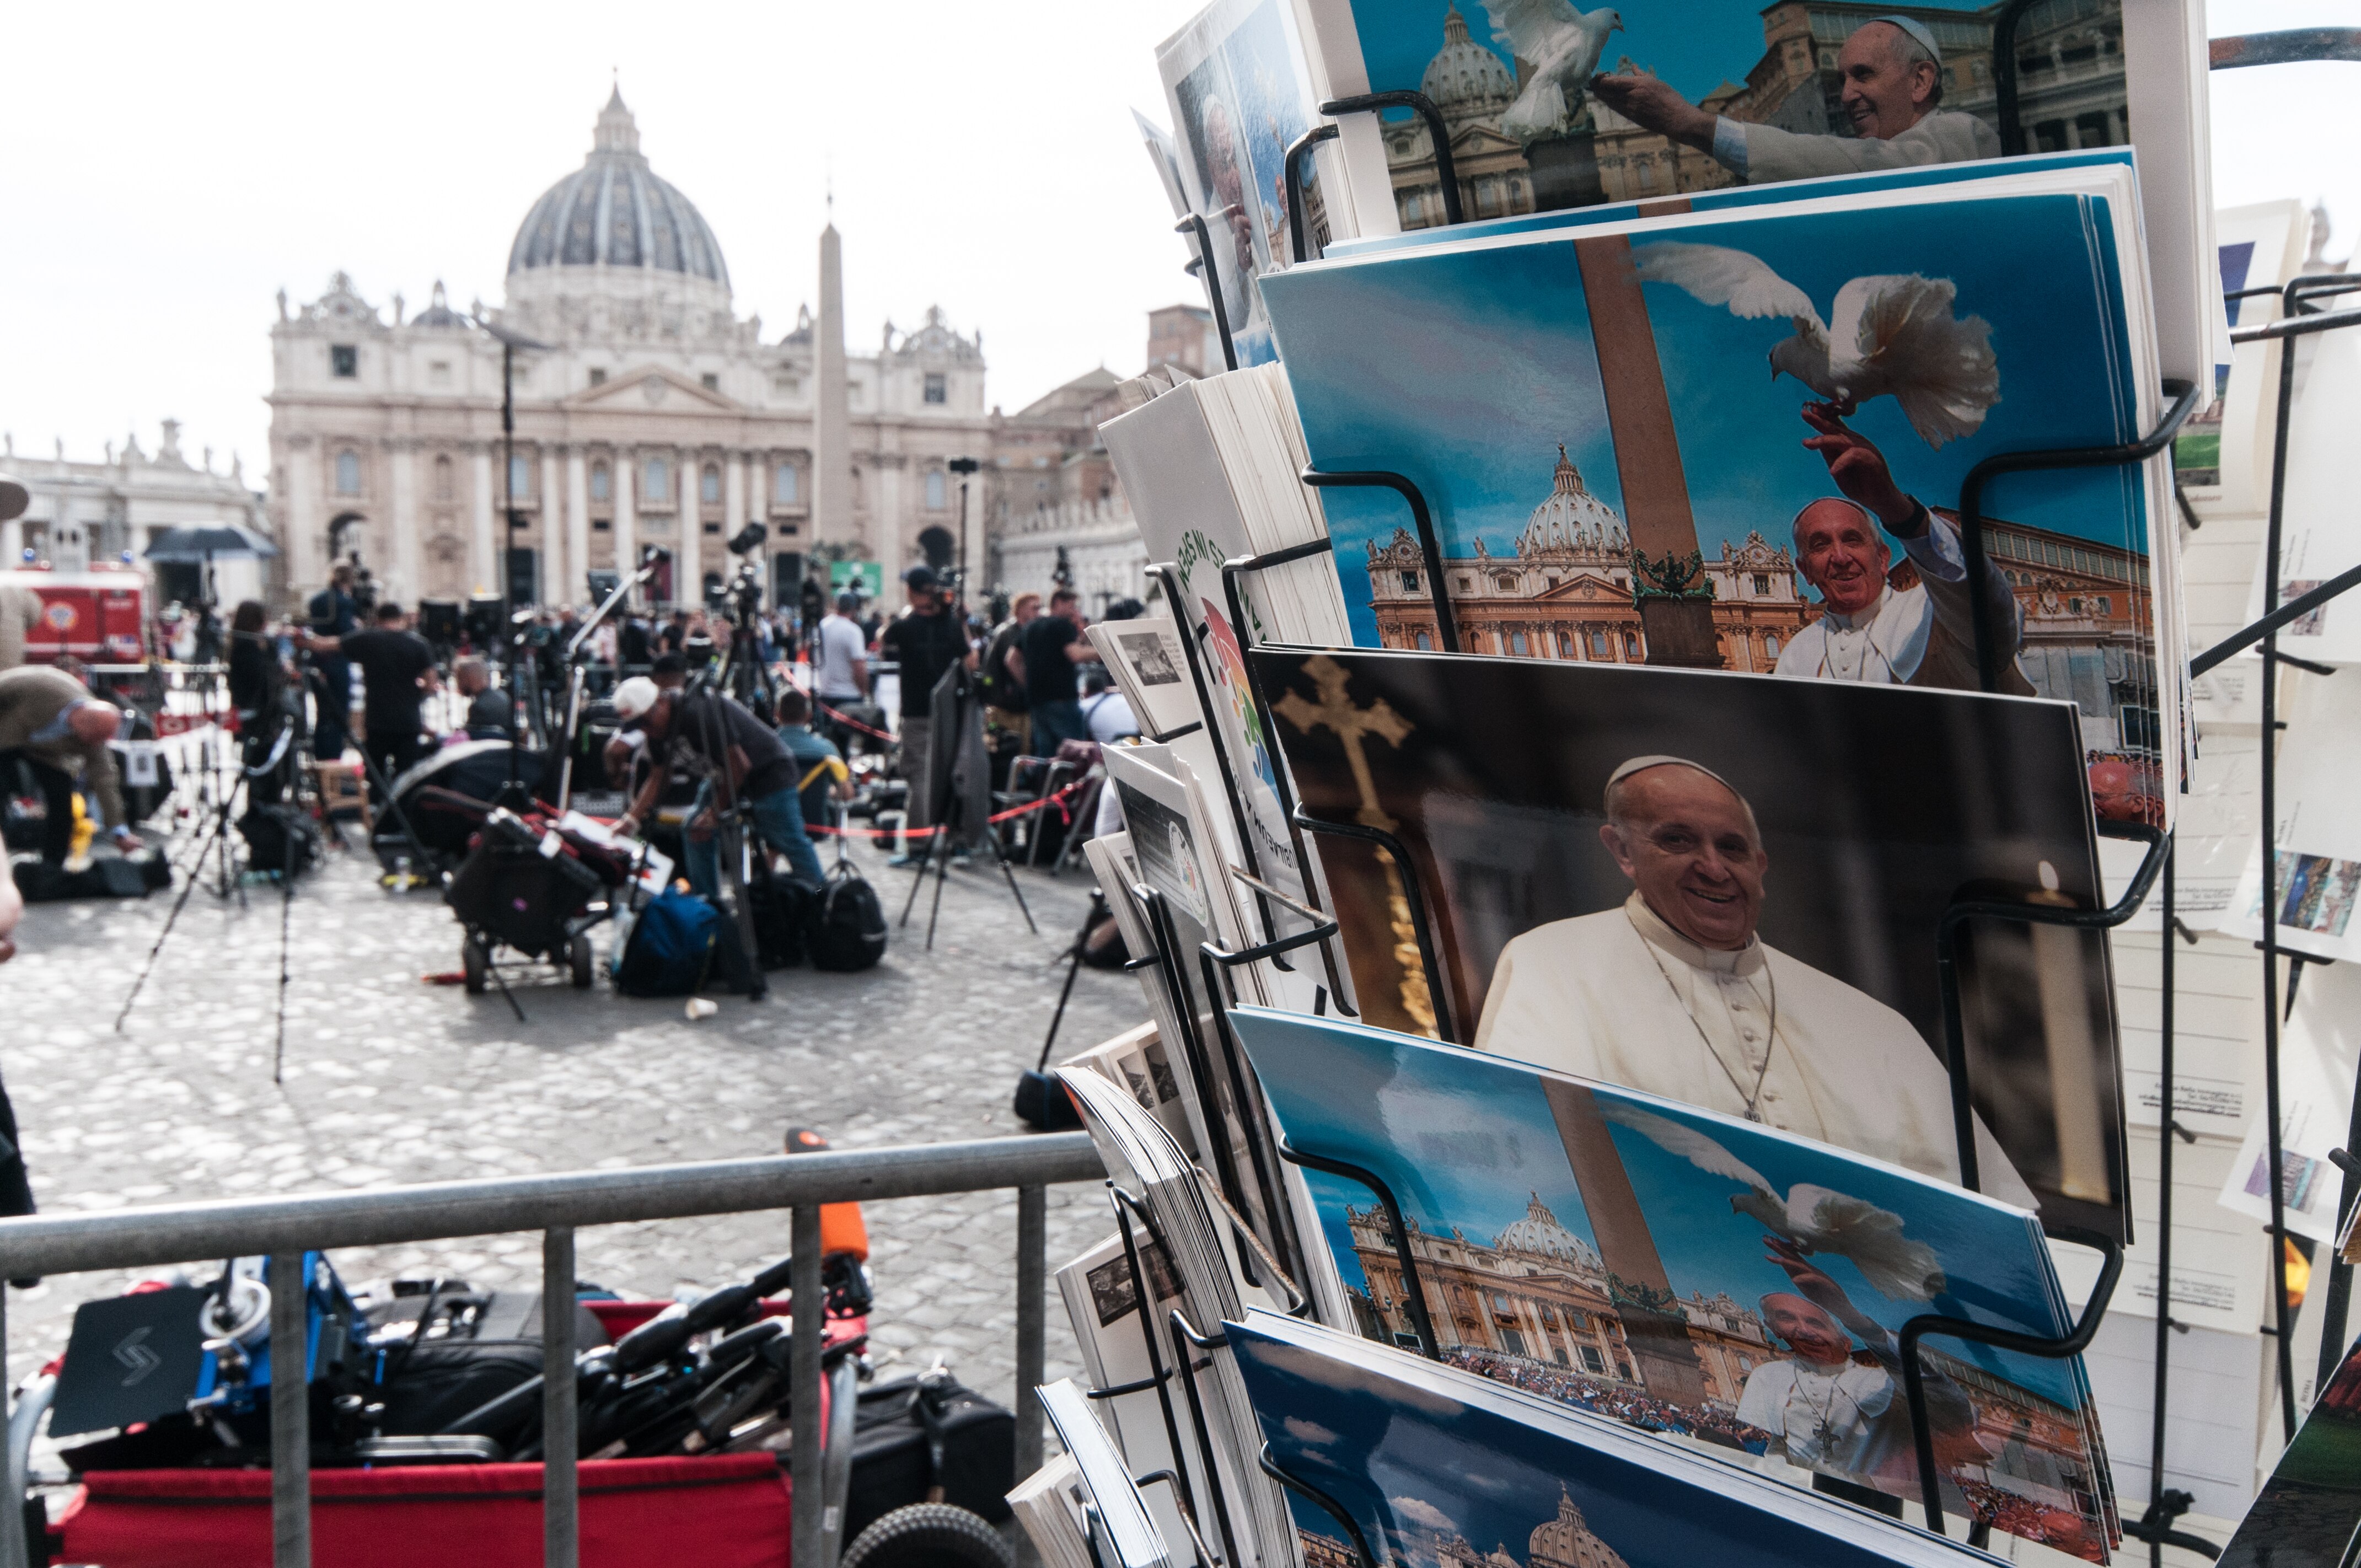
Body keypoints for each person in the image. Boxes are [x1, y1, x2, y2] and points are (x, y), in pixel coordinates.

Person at [1472, 755, 2033, 1204]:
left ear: (1760, 867)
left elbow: (1976, 1211)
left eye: (1732, 848)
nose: (1714, 868)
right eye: (1677, 840)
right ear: (1621, 851)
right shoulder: (1552, 966)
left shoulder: (1871, 1023)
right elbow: (1528, 1169)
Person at [1773, 406, 2029, 692]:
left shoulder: (1934, 611)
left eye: (1853, 540)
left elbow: (1994, 624)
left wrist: (1891, 504)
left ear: (1883, 559)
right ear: (1805, 571)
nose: (1841, 558)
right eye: (1821, 546)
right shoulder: (1795, 654)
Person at [1590, 15, 1999, 187]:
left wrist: (1694, 125)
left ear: (1920, 81)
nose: (1846, 94)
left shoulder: (1963, 136)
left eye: (1864, 75)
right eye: (1842, 80)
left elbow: (1873, 164)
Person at [1734, 1238, 1976, 1512]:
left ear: (1846, 1340)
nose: (1803, 1331)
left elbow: (1954, 1410)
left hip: (1898, 1516)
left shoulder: (1880, 1381)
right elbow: (1780, 1449)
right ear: (1772, 1328)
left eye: (1816, 1322)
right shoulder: (1769, 1376)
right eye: (1787, 1319)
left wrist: (1849, 1314)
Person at [610, 675, 824, 891]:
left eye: (646, 722)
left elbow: (740, 765)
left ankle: (823, 902)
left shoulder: (696, 711)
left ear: (661, 703)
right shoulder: (658, 728)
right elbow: (659, 777)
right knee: (695, 829)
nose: (647, 731)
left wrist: (713, 814)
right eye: (639, 727)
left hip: (769, 771)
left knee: (790, 841)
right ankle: (709, 907)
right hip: (724, 775)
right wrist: (631, 821)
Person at [876, 566, 974, 862]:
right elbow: (971, 661)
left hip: (917, 712)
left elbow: (883, 641)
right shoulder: (951, 626)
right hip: (950, 711)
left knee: (919, 777)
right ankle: (959, 842)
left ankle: (918, 845)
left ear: (912, 592)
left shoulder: (905, 626)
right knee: (956, 774)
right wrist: (958, 620)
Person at [0, 665, 139, 869]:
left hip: (45, 753)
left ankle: (52, 867)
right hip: (6, 737)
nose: (93, 744)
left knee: (62, 801)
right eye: (92, 737)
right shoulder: (44, 686)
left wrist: (120, 831)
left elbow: (105, 779)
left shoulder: (94, 736)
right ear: (81, 717)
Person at [302, 602, 441, 804]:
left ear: (378, 620)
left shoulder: (368, 639)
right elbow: (431, 684)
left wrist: (304, 637)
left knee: (375, 779)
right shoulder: (419, 645)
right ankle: (403, 823)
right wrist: (414, 689)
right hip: (409, 722)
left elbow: (324, 645)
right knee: (406, 780)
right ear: (401, 619)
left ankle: (378, 820)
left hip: (378, 722)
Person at [1012, 589, 1094, 755]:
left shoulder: (1031, 627)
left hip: (1037, 700)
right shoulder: (1062, 625)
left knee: (1045, 755)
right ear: (1058, 603)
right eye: (1071, 606)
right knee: (1073, 754)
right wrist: (1106, 649)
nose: (1073, 611)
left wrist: (1027, 683)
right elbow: (1075, 654)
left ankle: (1045, 782)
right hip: (1061, 700)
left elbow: (1012, 659)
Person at [227, 601, 293, 807]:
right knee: (260, 770)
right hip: (256, 717)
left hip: (264, 715)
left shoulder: (255, 647)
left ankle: (266, 807)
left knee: (269, 770)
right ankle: (261, 813)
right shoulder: (246, 651)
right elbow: (262, 681)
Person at [774, 687, 852, 833]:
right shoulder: (826, 750)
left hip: (774, 824)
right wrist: (828, 791)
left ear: (777, 714)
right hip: (816, 823)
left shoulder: (765, 747)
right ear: (809, 716)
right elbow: (847, 793)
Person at [306, 562, 361, 761]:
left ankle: (321, 758)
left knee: (322, 714)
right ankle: (332, 760)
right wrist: (356, 627)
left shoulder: (317, 600)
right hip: (336, 663)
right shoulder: (344, 602)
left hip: (317, 662)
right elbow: (347, 635)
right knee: (338, 714)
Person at [980, 592, 1040, 754]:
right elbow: (1012, 664)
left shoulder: (1027, 632)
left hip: (1021, 708)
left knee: (1024, 753)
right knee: (1005, 752)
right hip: (1004, 708)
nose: (1038, 612)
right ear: (1020, 610)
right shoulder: (1007, 633)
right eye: (1034, 608)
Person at [452, 656, 513, 741]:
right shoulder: (503, 696)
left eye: (459, 678)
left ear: (470, 678)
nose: (458, 684)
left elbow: (470, 739)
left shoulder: (478, 707)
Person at [1080, 669, 1138, 744]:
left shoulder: (1085, 705)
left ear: (1086, 690)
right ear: (1105, 688)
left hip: (1107, 751)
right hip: (1136, 744)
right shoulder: (1124, 698)